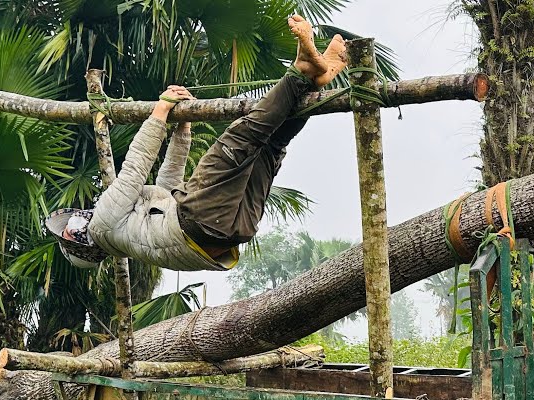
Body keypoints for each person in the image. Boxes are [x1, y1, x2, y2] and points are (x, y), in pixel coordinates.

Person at [45, 15, 346, 272]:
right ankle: (303, 71)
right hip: (196, 220)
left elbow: (168, 183)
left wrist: (182, 127)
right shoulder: (101, 226)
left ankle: (312, 82)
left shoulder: (129, 236)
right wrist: (160, 111)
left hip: (230, 232)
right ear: (77, 238)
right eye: (71, 230)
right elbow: (134, 170)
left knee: (269, 147)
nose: (74, 221)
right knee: (242, 138)